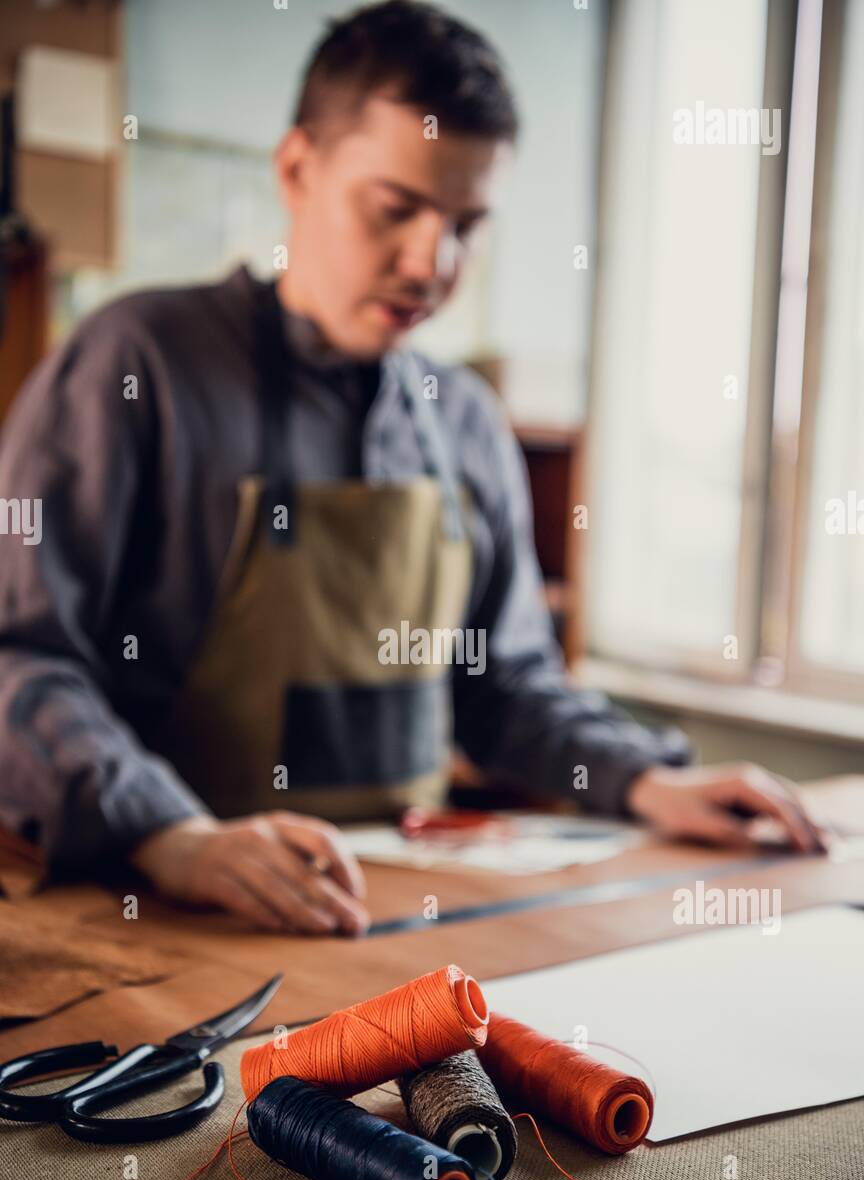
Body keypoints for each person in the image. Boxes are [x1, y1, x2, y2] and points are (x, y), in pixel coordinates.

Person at [0, 1, 823, 936]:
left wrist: (644, 777)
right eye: (396, 208)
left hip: (387, 919)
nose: (432, 262)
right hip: (156, 912)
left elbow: (501, 683)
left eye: (468, 224)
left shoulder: (465, 419)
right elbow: (20, 657)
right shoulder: (136, 364)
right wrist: (172, 834)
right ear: (297, 169)